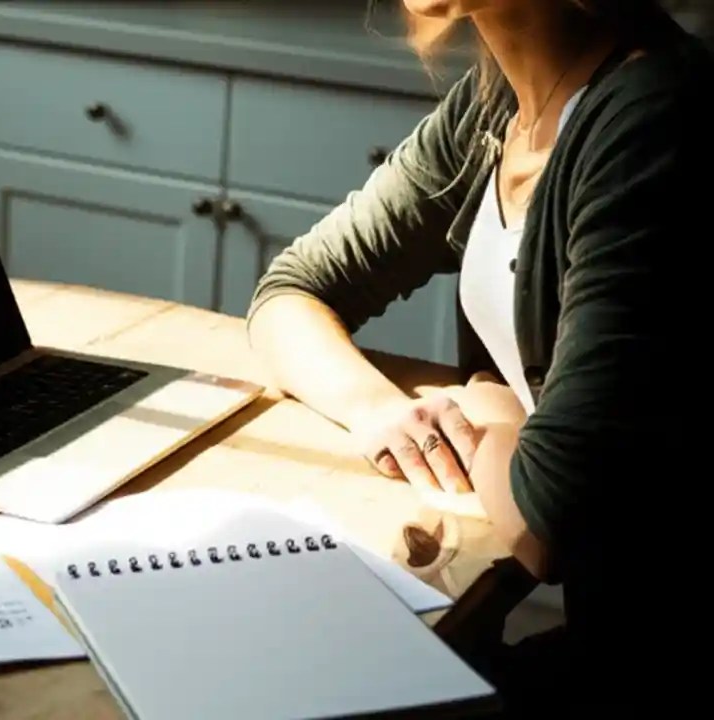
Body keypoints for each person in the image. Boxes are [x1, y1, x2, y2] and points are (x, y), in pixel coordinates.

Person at [247, 0, 707, 711]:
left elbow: (547, 516)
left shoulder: (648, 120)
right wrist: (376, 412)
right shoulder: (495, 106)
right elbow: (291, 291)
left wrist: (491, 406)